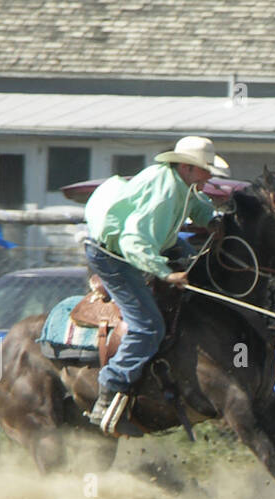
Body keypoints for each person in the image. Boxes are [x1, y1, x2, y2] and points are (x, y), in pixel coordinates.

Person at [82, 135, 223, 435]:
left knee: (200, 268)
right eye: (205, 170)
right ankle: (108, 392)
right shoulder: (165, 193)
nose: (210, 176)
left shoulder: (182, 186)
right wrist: (165, 273)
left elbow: (197, 206)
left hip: (150, 247)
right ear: (187, 168)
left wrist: (212, 219)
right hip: (115, 257)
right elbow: (134, 241)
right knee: (148, 326)